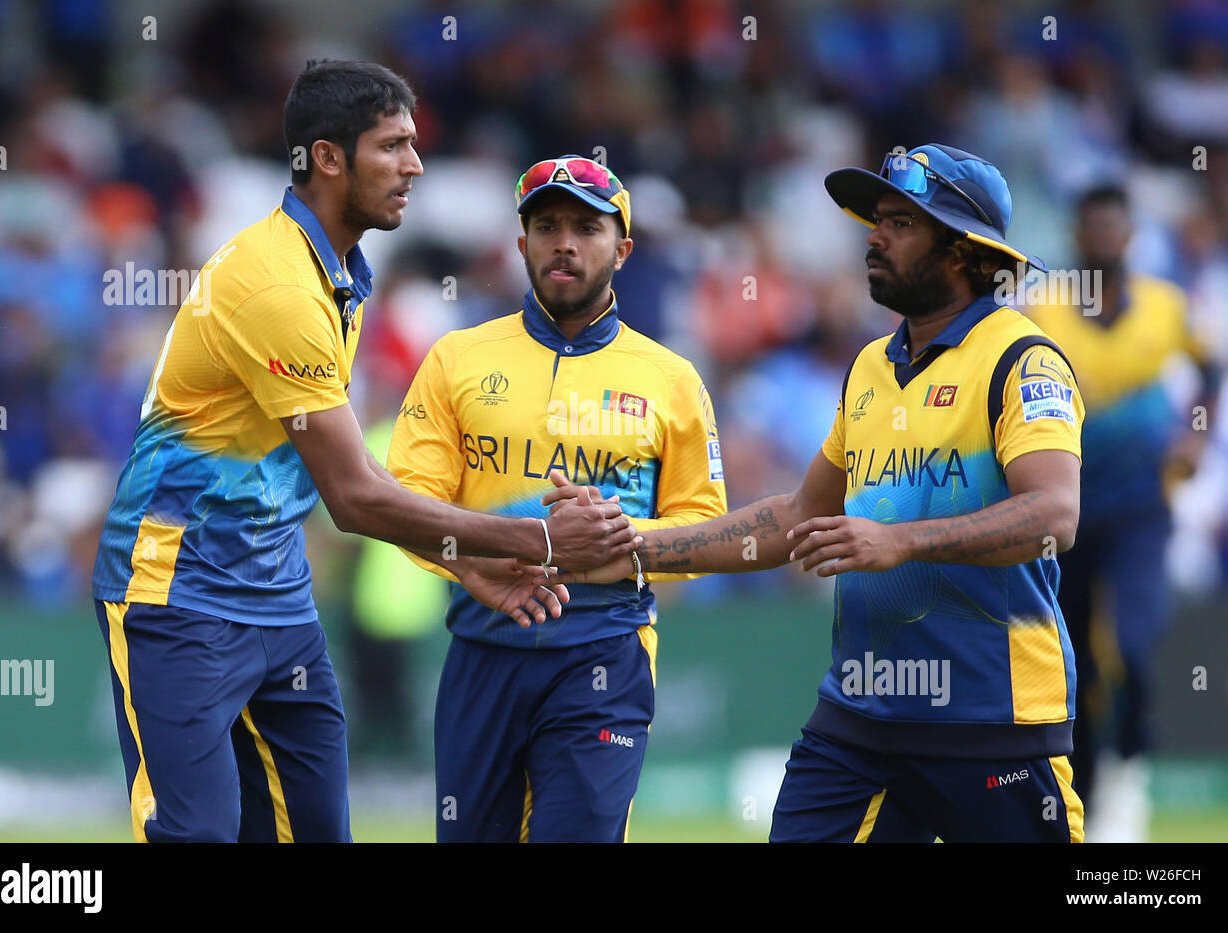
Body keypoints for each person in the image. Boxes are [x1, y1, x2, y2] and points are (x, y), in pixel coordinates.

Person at [90, 63, 636, 843]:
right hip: (174, 592)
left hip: (276, 594)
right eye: (394, 146)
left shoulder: (335, 273)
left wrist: (459, 559)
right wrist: (540, 539)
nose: (415, 166)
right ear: (327, 158)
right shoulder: (276, 286)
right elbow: (352, 497)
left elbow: (350, 473)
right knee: (197, 835)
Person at [548, 145, 1088, 843]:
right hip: (861, 718)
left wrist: (899, 540)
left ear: (961, 251)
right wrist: (632, 548)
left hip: (993, 717)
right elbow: (802, 515)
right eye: (876, 219)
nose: (874, 235)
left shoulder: (1023, 358)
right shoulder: (870, 365)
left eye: (900, 222)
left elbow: (1055, 515)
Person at [388, 155, 728, 842]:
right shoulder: (456, 358)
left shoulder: (672, 378)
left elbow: (706, 527)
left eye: (586, 227)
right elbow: (404, 500)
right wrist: (474, 562)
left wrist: (614, 536)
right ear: (522, 245)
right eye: (545, 226)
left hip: (604, 649)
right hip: (482, 648)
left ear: (623, 249)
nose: (564, 242)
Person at [1025, 183, 1215, 841]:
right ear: (1076, 237)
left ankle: (1129, 779)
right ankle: (1083, 796)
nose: (1104, 238)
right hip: (1064, 509)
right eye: (1092, 227)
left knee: (1132, 643)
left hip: (1140, 506)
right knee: (1070, 659)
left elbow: (1211, 371)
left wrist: (1193, 436)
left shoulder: (1167, 306)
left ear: (1130, 234)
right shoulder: (1046, 308)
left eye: (1115, 226)